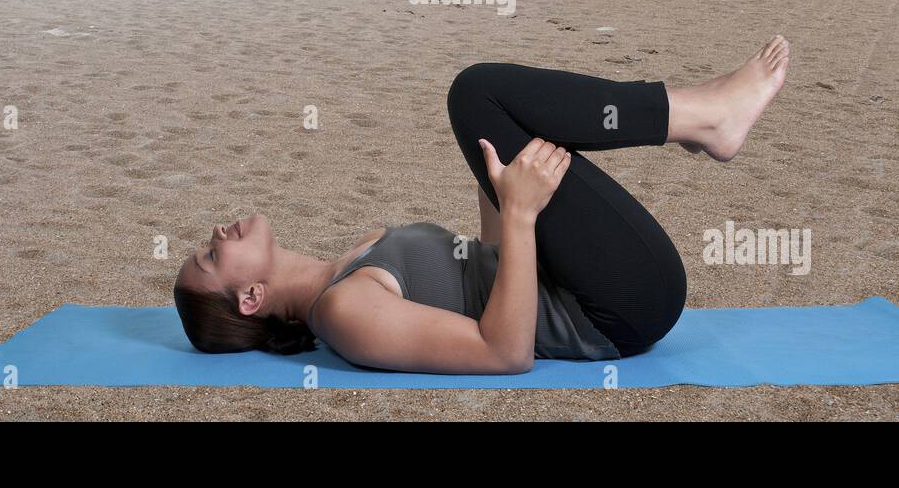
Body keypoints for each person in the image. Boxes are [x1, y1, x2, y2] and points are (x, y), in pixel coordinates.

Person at [174, 36, 790, 373]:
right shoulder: (343, 313)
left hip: (581, 281)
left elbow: (487, 269)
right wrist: (520, 213)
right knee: (477, 93)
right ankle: (705, 119)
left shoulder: (346, 270)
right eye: (210, 255)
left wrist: (495, 188)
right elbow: (504, 352)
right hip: (617, 311)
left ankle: (699, 120)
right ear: (249, 298)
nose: (217, 233)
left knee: (486, 106)